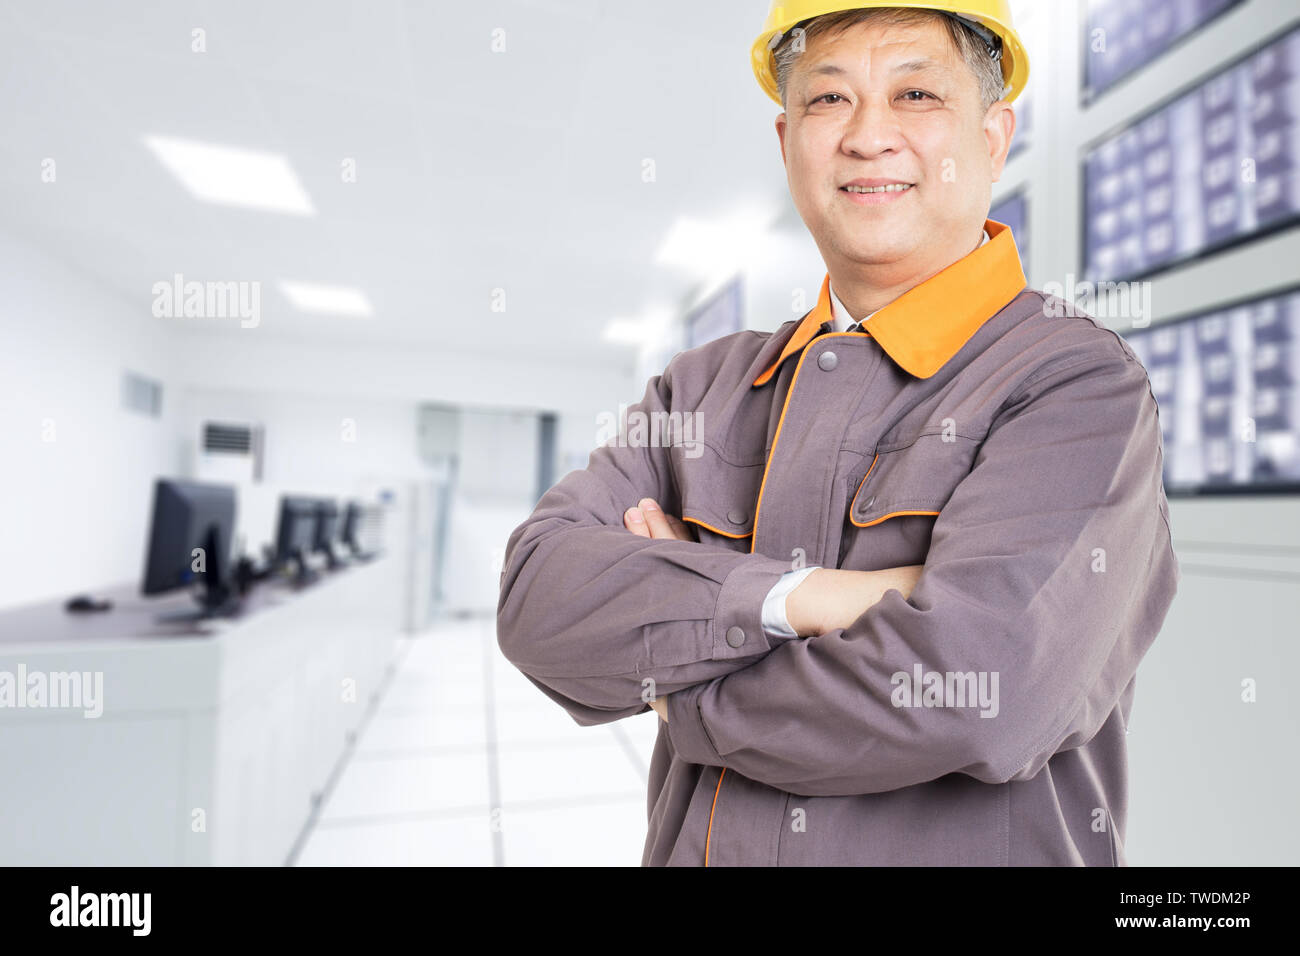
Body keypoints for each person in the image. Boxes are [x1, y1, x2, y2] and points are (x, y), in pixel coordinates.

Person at [497, 1, 1180, 866]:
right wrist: (807, 598)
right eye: (829, 101)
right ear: (788, 142)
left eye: (917, 94)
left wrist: (678, 687)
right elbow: (537, 602)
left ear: (993, 136)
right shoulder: (702, 386)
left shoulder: (1073, 383)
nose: (868, 136)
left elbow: (987, 688)